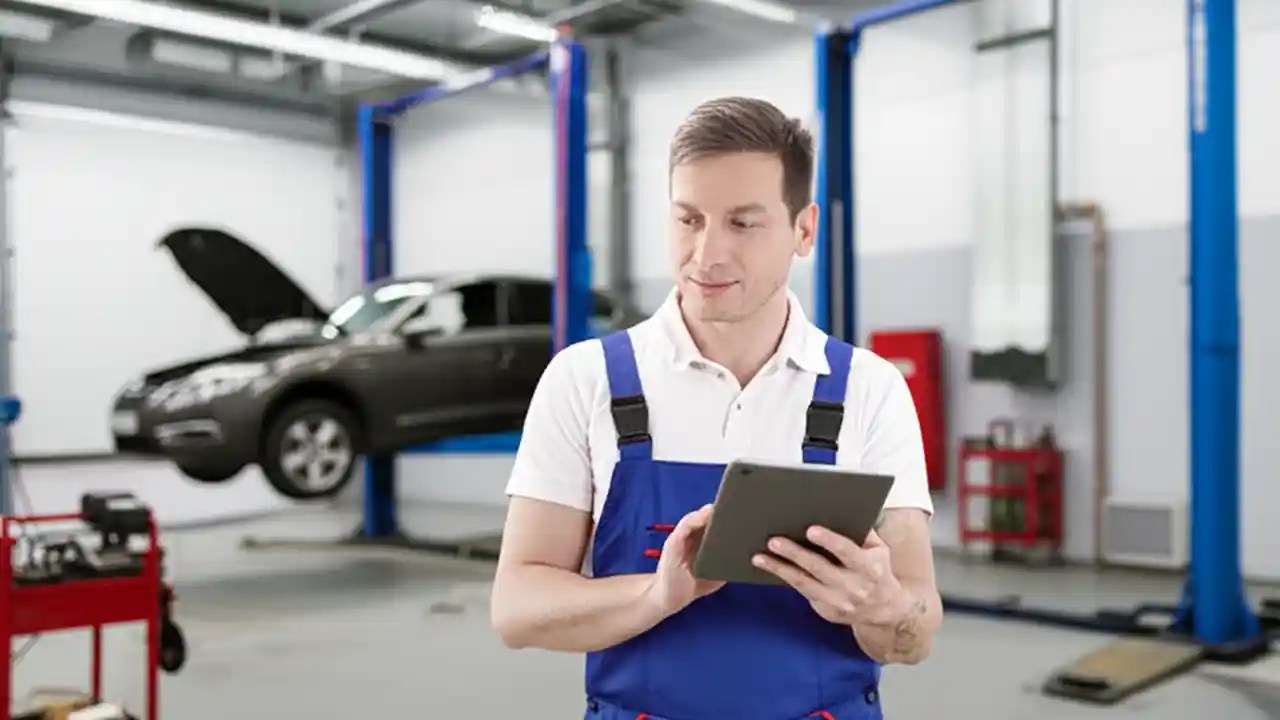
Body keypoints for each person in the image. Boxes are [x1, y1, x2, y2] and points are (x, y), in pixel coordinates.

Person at [490, 96, 941, 720]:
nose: (707, 254)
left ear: (803, 230)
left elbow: (917, 631)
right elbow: (516, 609)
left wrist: (881, 606)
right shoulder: (587, 379)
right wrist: (656, 596)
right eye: (689, 219)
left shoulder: (868, 389)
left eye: (743, 223)